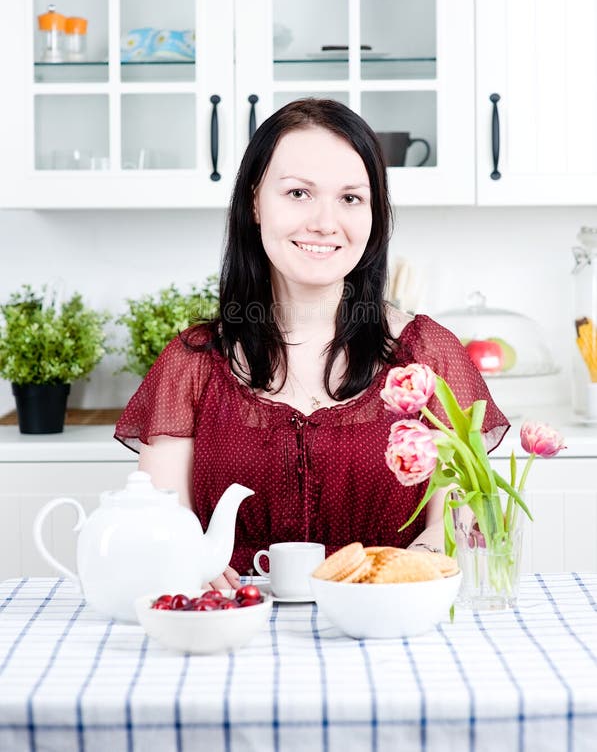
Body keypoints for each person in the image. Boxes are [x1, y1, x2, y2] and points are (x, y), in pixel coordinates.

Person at [115, 98, 509, 590]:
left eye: (350, 198)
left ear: (374, 214)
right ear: (255, 202)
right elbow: (158, 524)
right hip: (233, 634)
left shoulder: (427, 354)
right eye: (299, 193)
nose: (325, 222)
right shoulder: (192, 362)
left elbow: (460, 516)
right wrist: (185, 560)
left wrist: (426, 557)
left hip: (385, 628)